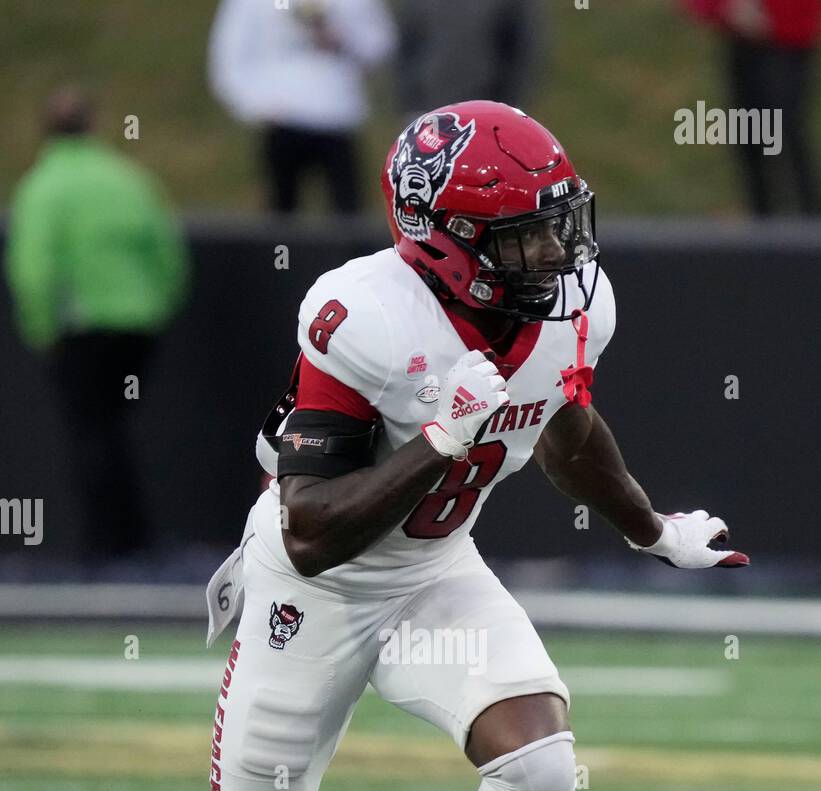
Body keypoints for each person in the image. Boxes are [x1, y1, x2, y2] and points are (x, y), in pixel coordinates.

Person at [106, 101, 748, 791]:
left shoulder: (574, 308)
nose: (553, 250)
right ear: (441, 240)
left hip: (432, 570)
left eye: (558, 220)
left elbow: (566, 429)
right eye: (522, 233)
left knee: (538, 769)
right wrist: (436, 444)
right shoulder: (362, 316)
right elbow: (312, 528)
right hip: (312, 586)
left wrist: (650, 531)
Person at [4, 87, 188, 562]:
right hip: (137, 327)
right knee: (112, 429)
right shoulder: (127, 178)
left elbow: (34, 269)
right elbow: (167, 253)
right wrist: (157, 308)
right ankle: (136, 543)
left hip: (81, 328)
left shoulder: (43, 186)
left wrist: (43, 330)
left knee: (91, 433)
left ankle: (106, 549)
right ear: (92, 124)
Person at [208, 0, 397, 213]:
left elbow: (380, 43)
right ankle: (281, 248)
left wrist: (340, 38)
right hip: (281, 118)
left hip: (338, 116)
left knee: (347, 213)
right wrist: (253, 106)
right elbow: (230, 53)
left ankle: (348, 248)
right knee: (281, 214)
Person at [680, 0, 821, 214]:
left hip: (788, 42)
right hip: (745, 41)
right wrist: (726, 7)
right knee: (749, 139)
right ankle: (763, 233)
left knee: (786, 135)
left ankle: (816, 233)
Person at [394, 0, 547, 120]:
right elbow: (407, 48)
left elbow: (521, 50)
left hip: (488, 110)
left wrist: (508, 105)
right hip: (430, 109)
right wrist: (411, 104)